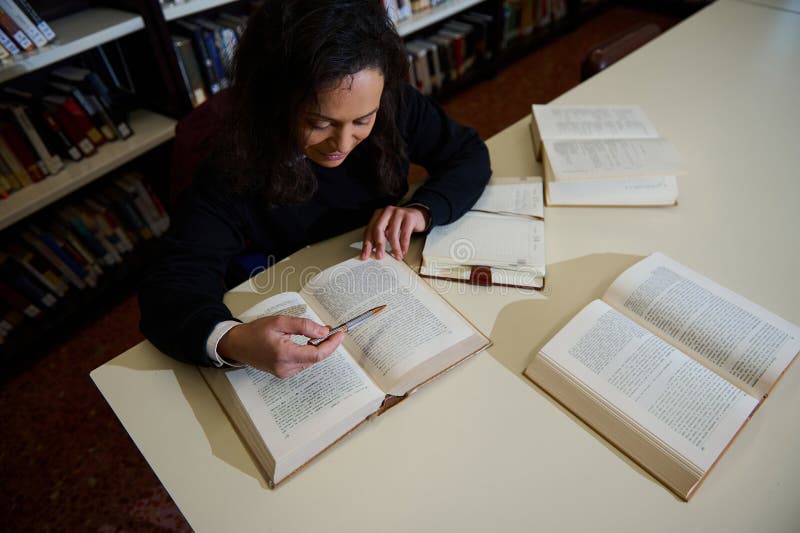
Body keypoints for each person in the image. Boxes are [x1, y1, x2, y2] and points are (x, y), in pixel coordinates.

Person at [139, 0, 491, 378]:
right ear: (275, 102)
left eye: (363, 119)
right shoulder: (231, 163)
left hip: (384, 284)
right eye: (320, 122)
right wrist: (233, 340)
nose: (343, 142)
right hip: (288, 289)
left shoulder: (394, 103)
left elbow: (468, 153)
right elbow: (171, 286)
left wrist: (423, 208)